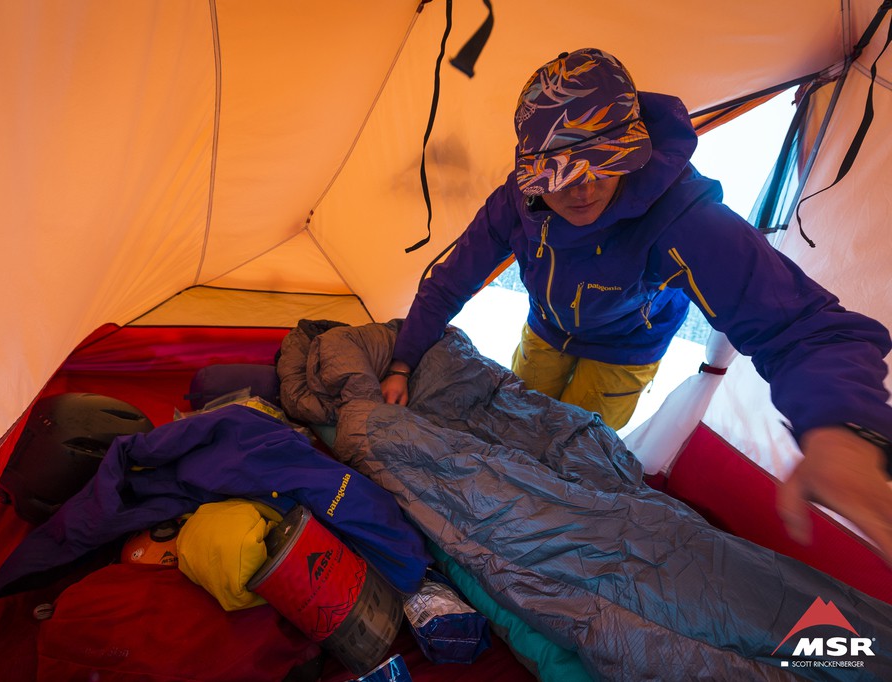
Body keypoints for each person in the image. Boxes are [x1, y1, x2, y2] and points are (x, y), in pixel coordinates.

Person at [380, 48, 892, 563]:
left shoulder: (678, 213)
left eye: (604, 164)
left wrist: (841, 426)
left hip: (624, 349)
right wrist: (403, 358)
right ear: (533, 173)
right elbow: (451, 279)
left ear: (632, 151)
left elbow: (800, 322)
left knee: (569, 453)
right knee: (517, 425)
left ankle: (538, 541)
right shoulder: (516, 203)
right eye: (561, 174)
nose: (582, 188)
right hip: (546, 329)